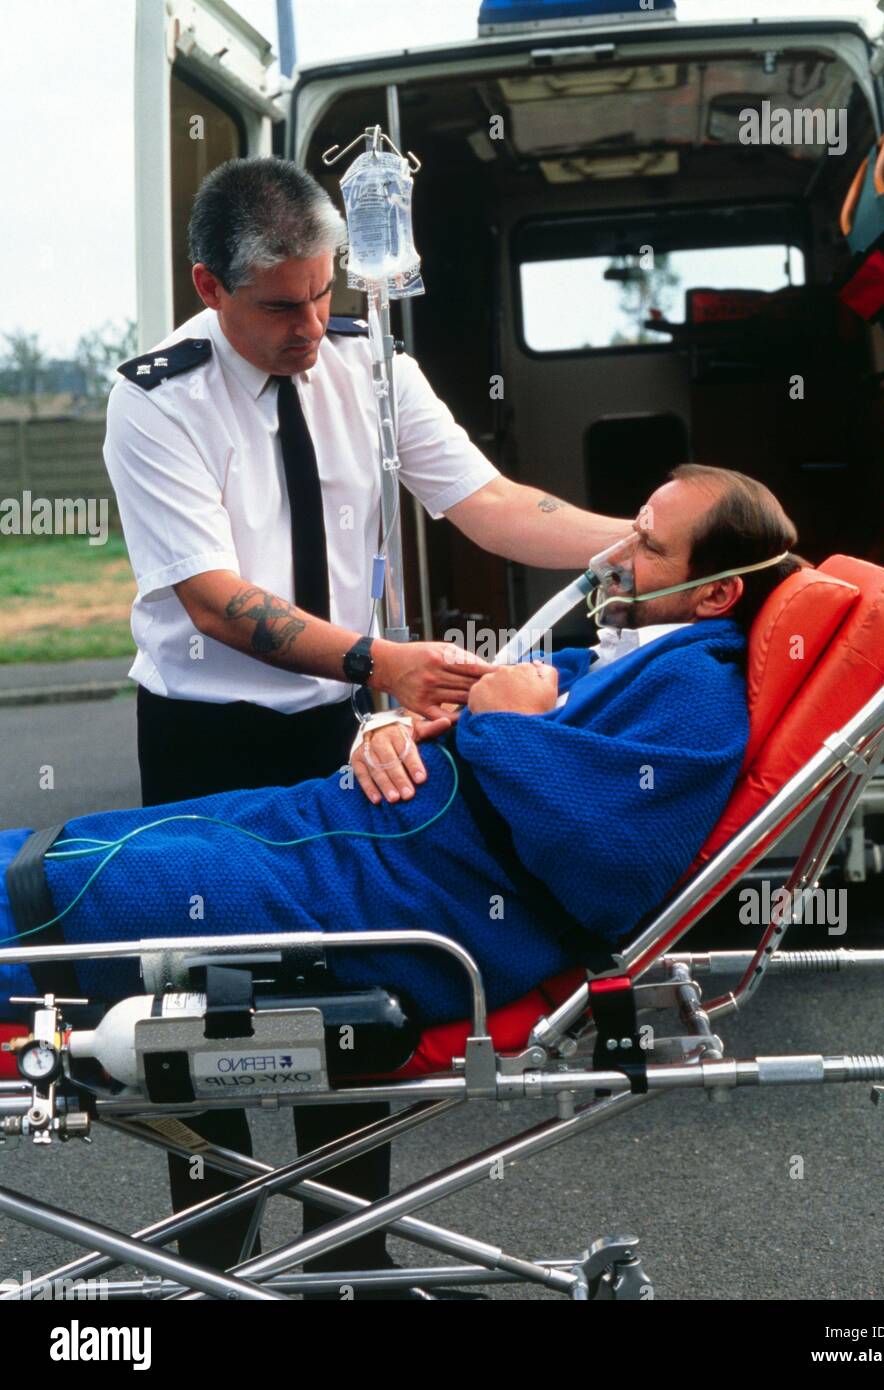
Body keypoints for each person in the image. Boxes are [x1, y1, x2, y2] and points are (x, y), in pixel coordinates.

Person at [94, 155, 633, 1291]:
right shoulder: (154, 398)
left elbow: (485, 503)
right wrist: (383, 660)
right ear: (209, 285)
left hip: (341, 725)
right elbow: (213, 599)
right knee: (202, 1011)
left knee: (357, 1001)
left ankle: (353, 1259)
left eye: (325, 292)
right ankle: (215, 1260)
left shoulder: (367, 363)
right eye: (282, 306)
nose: (312, 324)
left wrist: (635, 539)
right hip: (207, 735)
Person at [1, 463, 800, 1042]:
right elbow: (493, 713)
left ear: (717, 593)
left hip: (399, 897)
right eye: (631, 528)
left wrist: (498, 724)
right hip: (342, 837)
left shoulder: (697, 697)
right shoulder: (618, 657)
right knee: (83, 845)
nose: (617, 556)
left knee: (75, 891)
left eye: (649, 546)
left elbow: (613, 866)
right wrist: (384, 727)